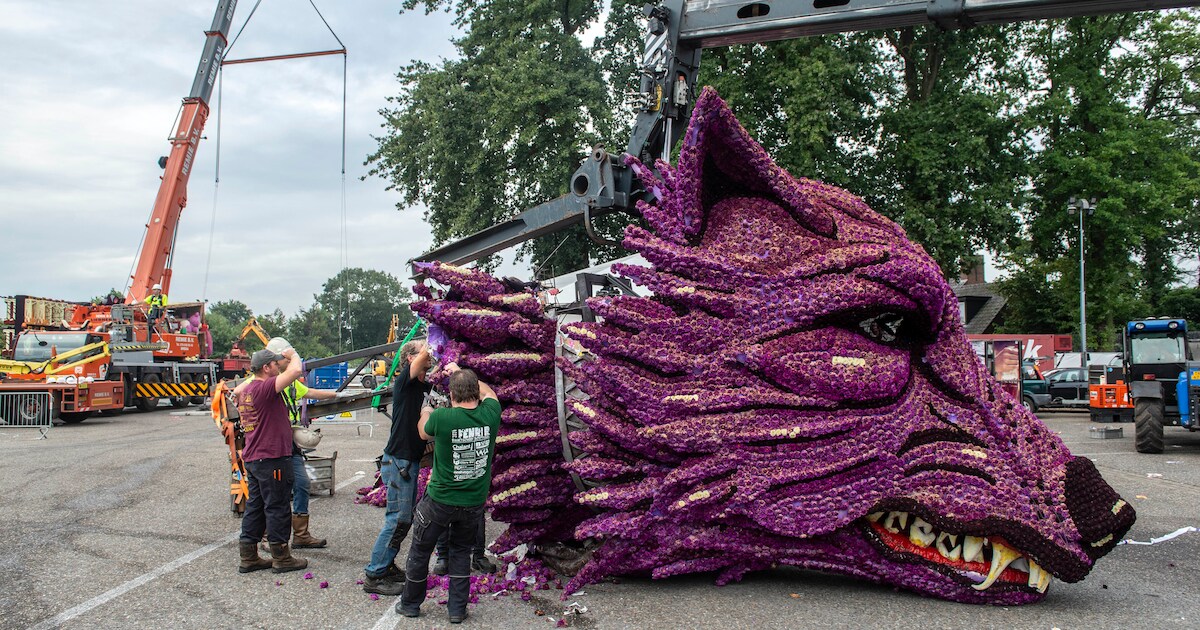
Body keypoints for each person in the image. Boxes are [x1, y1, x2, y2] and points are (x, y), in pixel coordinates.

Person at [397, 367, 501, 624]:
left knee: (420, 551)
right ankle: (456, 610)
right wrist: (466, 374)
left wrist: (426, 410)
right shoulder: (490, 414)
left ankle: (410, 604)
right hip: (472, 503)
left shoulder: (442, 417)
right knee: (460, 553)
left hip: (439, 502)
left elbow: (423, 432)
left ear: (451, 394)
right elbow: (492, 394)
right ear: (476, 392)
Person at [244, 337, 344, 549]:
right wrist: (294, 355)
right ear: (268, 365)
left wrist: (339, 395)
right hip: (269, 450)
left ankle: (300, 535)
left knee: (300, 484)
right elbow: (240, 392)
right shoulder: (262, 384)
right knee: (273, 501)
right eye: (279, 360)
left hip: (287, 445)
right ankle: (272, 543)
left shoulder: (285, 383)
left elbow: (309, 392)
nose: (283, 363)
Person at [363, 340, 433, 596]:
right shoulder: (405, 382)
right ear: (410, 359)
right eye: (422, 350)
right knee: (397, 520)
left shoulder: (425, 385)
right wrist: (432, 340)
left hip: (408, 461)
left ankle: (386, 565)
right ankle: (375, 573)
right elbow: (422, 356)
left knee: (403, 519)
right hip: (399, 461)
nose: (429, 354)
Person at [234, 348, 309, 575]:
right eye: (275, 365)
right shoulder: (265, 387)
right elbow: (296, 370)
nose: (279, 368)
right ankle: (281, 556)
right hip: (272, 458)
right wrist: (294, 353)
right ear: (266, 368)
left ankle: (248, 556)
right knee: (277, 507)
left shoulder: (246, 390)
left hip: (255, 457)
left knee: (255, 507)